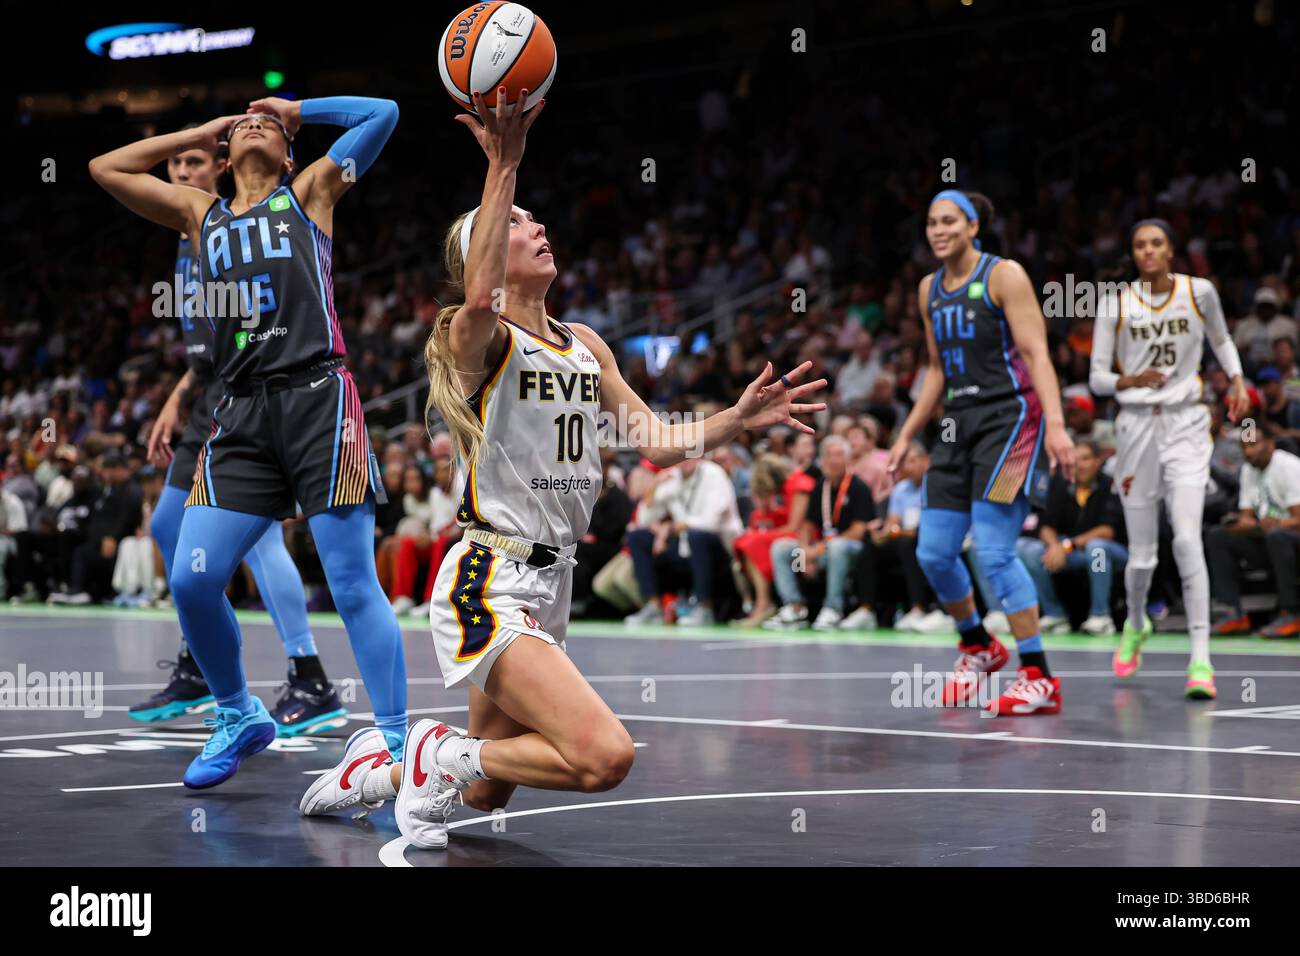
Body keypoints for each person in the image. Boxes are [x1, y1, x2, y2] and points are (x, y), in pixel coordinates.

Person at [298, 88, 826, 849]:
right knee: (603, 757)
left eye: (533, 217)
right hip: (492, 576)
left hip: (556, 583)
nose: (536, 225)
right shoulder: (473, 335)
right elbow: (480, 293)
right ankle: (430, 752)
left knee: (484, 788)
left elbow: (651, 436)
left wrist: (735, 422)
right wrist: (503, 162)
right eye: (513, 224)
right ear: (480, 254)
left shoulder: (583, 342)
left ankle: (382, 768)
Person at [90, 92, 408, 788]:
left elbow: (382, 113)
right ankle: (239, 714)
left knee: (354, 584)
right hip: (239, 416)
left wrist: (300, 108)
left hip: (320, 398)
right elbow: (104, 168)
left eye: (266, 125)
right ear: (225, 157)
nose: (252, 123)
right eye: (241, 127)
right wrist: (201, 130)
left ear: (289, 150)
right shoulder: (199, 214)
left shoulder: (313, 189)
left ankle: (396, 744)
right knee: (192, 578)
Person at [127, 130, 347, 734]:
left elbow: (253, 330)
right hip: (209, 393)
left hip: (247, 397)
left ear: (219, 167)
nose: (182, 170)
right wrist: (175, 399)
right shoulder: (189, 236)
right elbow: (206, 345)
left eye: (195, 159)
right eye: (175, 163)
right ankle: (204, 664)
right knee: (170, 526)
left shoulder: (233, 227)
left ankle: (308, 673)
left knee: (260, 540)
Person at [889, 190, 1075, 716]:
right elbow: (934, 367)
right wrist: (906, 435)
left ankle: (1039, 676)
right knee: (933, 552)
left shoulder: (1004, 275)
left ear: (973, 226)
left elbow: (1037, 354)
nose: (938, 230)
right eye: (930, 222)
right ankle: (978, 645)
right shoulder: (929, 290)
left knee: (993, 551)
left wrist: (1057, 426)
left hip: (1012, 421)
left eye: (949, 220)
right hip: (956, 426)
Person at [1090, 218, 1249, 698]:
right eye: (1139, 245)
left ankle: (1201, 660)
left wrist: (1237, 378)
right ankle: (1135, 624)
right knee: (1141, 556)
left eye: (1156, 243)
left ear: (1171, 250)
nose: (1148, 251)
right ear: (1134, 254)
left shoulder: (1199, 293)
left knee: (1185, 536)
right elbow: (1098, 376)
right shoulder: (1115, 304)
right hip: (1136, 427)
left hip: (1186, 423)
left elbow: (1220, 340)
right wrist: (1129, 381)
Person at [1015, 440, 1127, 636]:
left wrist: (1065, 546)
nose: (1080, 466)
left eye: (1085, 459)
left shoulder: (1109, 485)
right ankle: (1055, 614)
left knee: (1097, 548)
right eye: (1074, 461)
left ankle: (1101, 616)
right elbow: (1046, 527)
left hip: (1112, 554)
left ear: (1097, 461)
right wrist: (1055, 546)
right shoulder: (1061, 482)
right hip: (1073, 553)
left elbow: (1106, 531)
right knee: (1027, 550)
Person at [768, 434, 874, 630]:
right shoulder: (819, 487)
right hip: (823, 550)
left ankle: (833, 609)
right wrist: (805, 551)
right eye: (829, 455)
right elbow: (807, 525)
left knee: (836, 546)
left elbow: (859, 531)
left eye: (839, 455)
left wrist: (817, 551)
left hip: (851, 551)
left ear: (848, 459)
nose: (834, 460)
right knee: (781, 547)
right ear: (822, 460)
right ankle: (795, 607)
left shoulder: (859, 487)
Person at [624, 455, 743, 626]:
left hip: (721, 546)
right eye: (680, 455)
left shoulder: (713, 474)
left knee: (697, 536)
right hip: (686, 546)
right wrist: (655, 485)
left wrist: (673, 528)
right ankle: (653, 605)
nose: (686, 460)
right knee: (638, 537)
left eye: (691, 455)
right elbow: (644, 520)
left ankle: (705, 607)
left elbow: (710, 522)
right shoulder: (673, 477)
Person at [1207, 431, 1300, 638]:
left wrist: (1275, 524)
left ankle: (1291, 613)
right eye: (1244, 447)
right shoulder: (1248, 470)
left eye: (1253, 445)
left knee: (1277, 536)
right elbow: (1247, 516)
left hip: (1291, 540)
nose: (1248, 452)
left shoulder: (1289, 466)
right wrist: (1242, 523)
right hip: (1270, 540)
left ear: (1270, 444)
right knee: (1219, 536)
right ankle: (1233, 612)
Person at [848, 440, 945, 632]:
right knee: (871, 546)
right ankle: (866, 610)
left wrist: (897, 532)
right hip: (903, 536)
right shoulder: (901, 489)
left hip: (928, 537)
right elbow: (893, 521)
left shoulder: (936, 486)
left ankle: (918, 608)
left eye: (912, 461)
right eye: (904, 462)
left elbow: (929, 526)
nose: (907, 467)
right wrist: (882, 534)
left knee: (907, 544)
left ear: (926, 461)